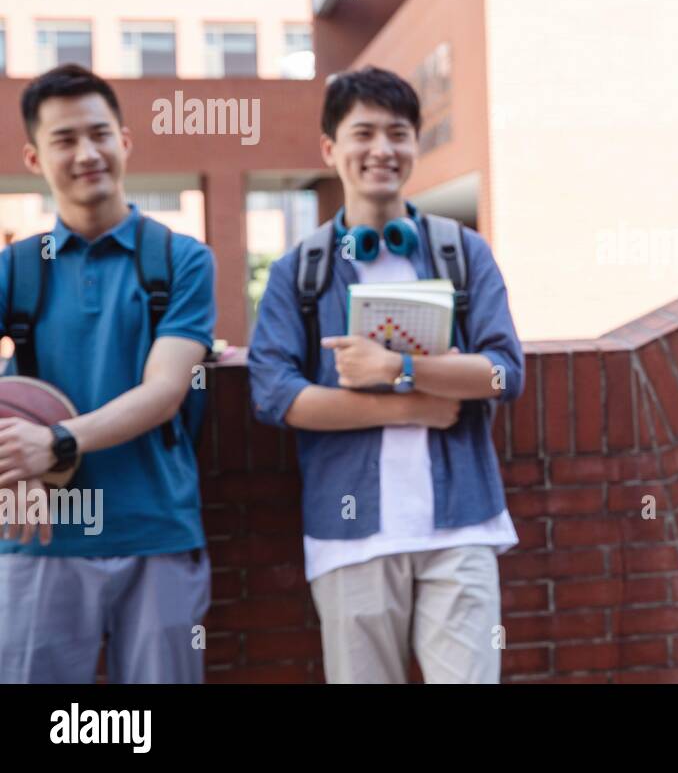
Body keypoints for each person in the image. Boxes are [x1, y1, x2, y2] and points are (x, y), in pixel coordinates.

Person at [248, 67, 524, 684]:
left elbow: (505, 373)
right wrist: (410, 405)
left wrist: (399, 368)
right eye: (363, 132)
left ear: (414, 144)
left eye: (397, 133)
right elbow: (273, 393)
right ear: (330, 149)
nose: (381, 149)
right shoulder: (302, 270)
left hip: (462, 525)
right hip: (349, 535)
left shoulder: (461, 250)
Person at [0, 65, 216, 683]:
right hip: (37, 536)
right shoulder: (15, 268)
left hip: (156, 528)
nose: (87, 153)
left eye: (99, 134)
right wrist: (10, 461)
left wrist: (55, 442)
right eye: (64, 140)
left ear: (124, 140)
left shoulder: (181, 260)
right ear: (35, 157)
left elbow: (165, 391)